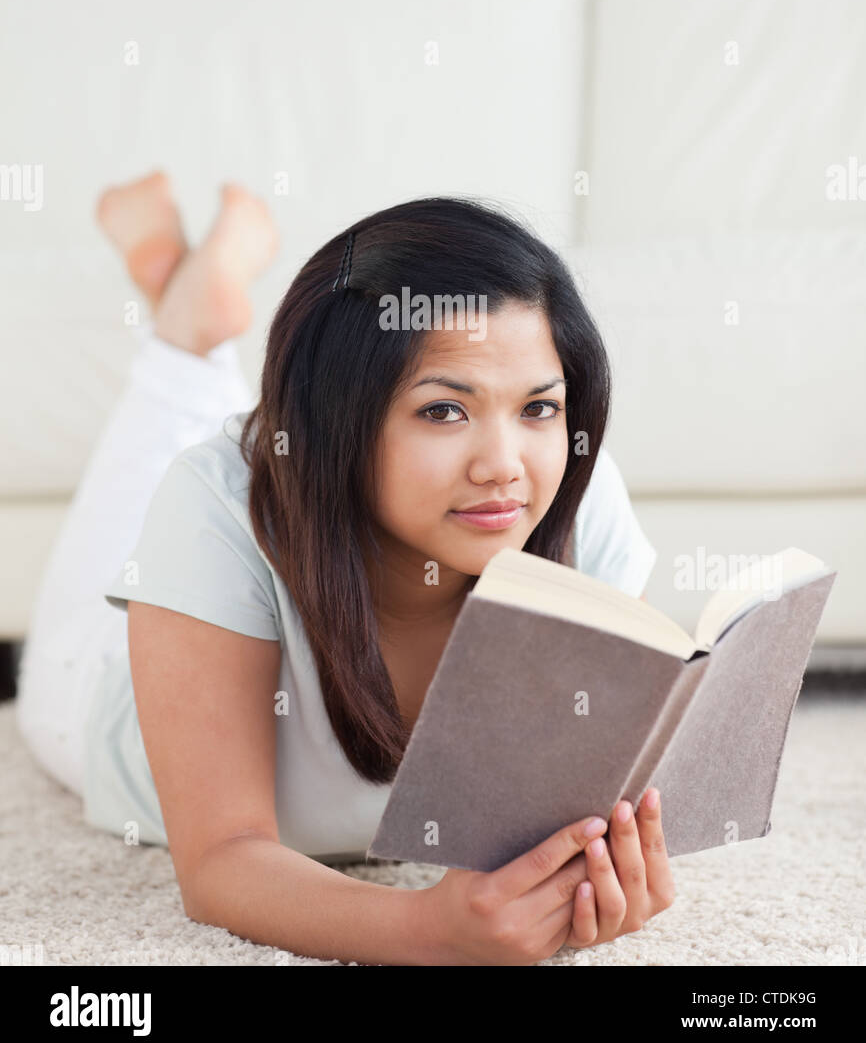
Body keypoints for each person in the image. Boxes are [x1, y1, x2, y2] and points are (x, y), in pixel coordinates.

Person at [15, 173, 675, 966]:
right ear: (336, 424)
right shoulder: (214, 504)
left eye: (538, 406)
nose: (506, 467)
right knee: (172, 442)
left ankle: (191, 299)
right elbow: (220, 860)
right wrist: (427, 930)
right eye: (444, 411)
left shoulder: (569, 488)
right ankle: (187, 332)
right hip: (95, 691)